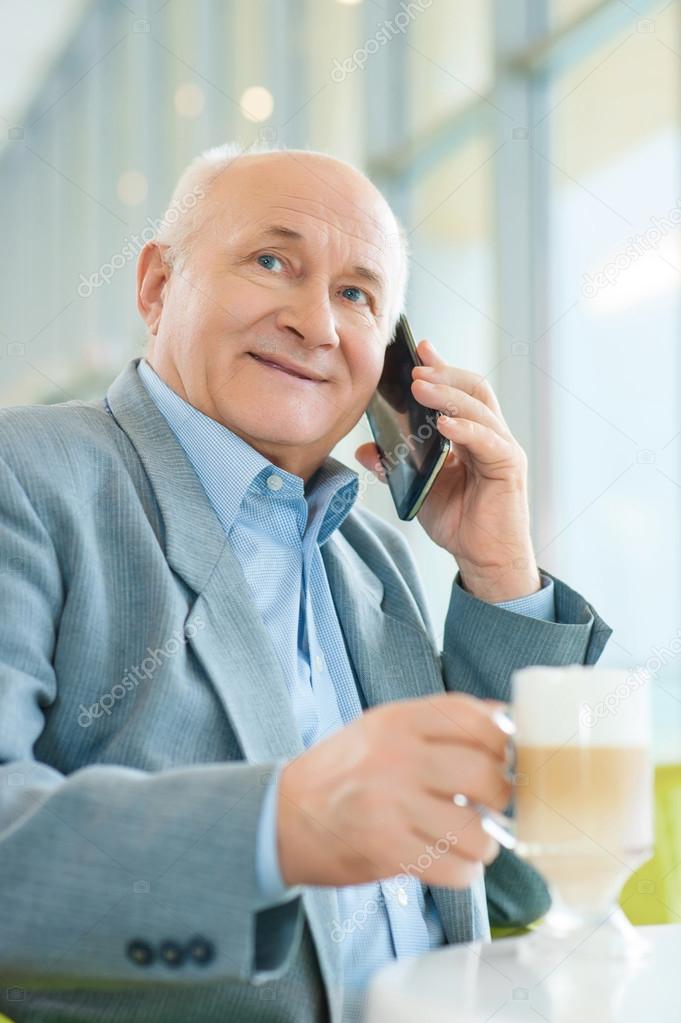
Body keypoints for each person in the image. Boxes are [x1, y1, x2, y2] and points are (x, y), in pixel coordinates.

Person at [0, 142, 612, 1023]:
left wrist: (496, 573)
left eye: (356, 294)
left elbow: (509, 882)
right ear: (155, 286)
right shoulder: (29, 478)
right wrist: (279, 826)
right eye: (271, 261)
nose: (316, 325)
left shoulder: (370, 555)